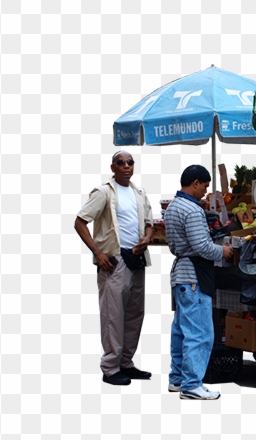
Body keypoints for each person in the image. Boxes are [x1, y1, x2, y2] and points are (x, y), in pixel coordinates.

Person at [75, 150, 154, 386]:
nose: (127, 166)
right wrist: (98, 253)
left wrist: (147, 238)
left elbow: (149, 224)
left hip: (137, 258)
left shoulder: (139, 193)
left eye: (130, 162)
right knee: (113, 315)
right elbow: (80, 222)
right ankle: (110, 367)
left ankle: (126, 363)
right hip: (114, 261)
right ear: (113, 167)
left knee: (134, 314)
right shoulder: (104, 193)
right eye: (121, 163)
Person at [164, 165, 232, 400]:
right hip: (193, 277)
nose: (205, 191)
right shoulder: (192, 210)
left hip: (180, 276)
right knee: (200, 333)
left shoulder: (173, 206)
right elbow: (202, 247)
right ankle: (192, 384)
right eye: (204, 186)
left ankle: (177, 378)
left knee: (181, 331)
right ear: (195, 183)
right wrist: (222, 251)